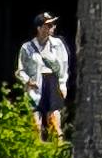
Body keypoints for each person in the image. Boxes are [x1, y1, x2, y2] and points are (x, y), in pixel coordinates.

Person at [14, 9, 69, 141]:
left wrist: (62, 84)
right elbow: (21, 70)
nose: (52, 27)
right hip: (35, 84)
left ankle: (59, 148)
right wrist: (28, 81)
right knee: (35, 121)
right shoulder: (27, 47)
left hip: (52, 82)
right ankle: (37, 148)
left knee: (54, 119)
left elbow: (63, 66)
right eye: (48, 25)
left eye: (53, 25)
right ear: (39, 28)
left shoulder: (58, 44)